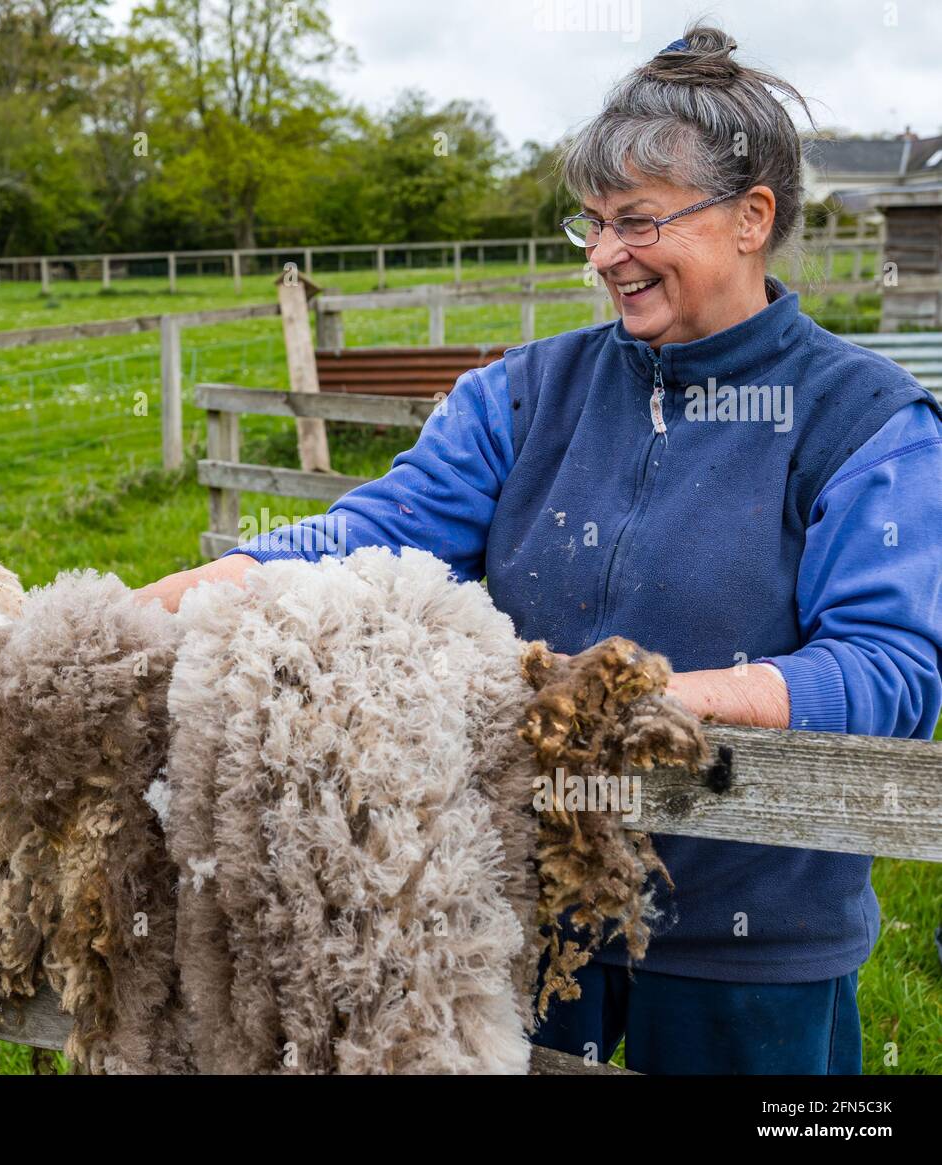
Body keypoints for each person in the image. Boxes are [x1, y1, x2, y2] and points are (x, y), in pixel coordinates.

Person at [136, 25, 942, 1075]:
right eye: (596, 225)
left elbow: (888, 672)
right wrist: (210, 587)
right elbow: (376, 530)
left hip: (748, 941)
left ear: (752, 219)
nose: (607, 256)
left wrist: (634, 701)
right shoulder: (523, 393)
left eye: (639, 222)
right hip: (526, 903)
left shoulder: (862, 420)